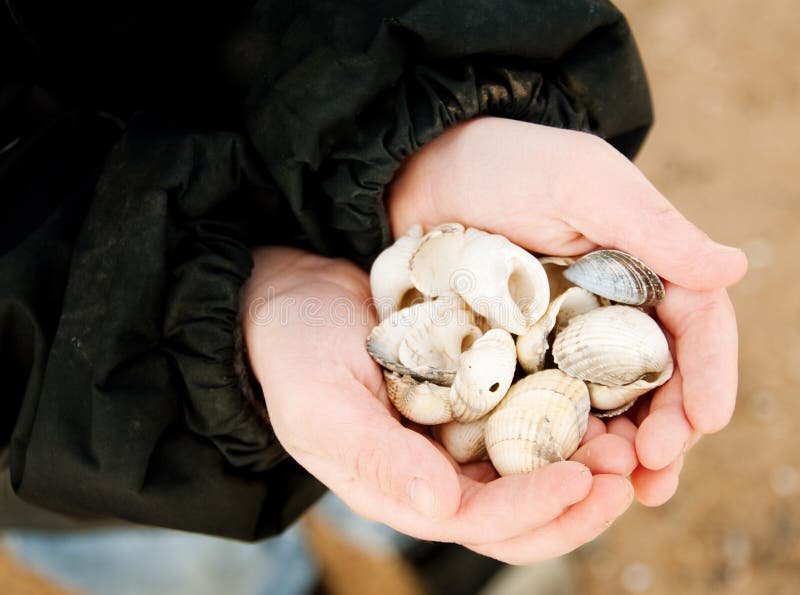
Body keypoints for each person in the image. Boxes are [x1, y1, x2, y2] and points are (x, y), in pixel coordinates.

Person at [1, 0, 746, 567]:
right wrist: (210, 315)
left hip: (337, 143)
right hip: (94, 414)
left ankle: (439, 563)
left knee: (437, 488)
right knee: (190, 565)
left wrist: (430, 121)